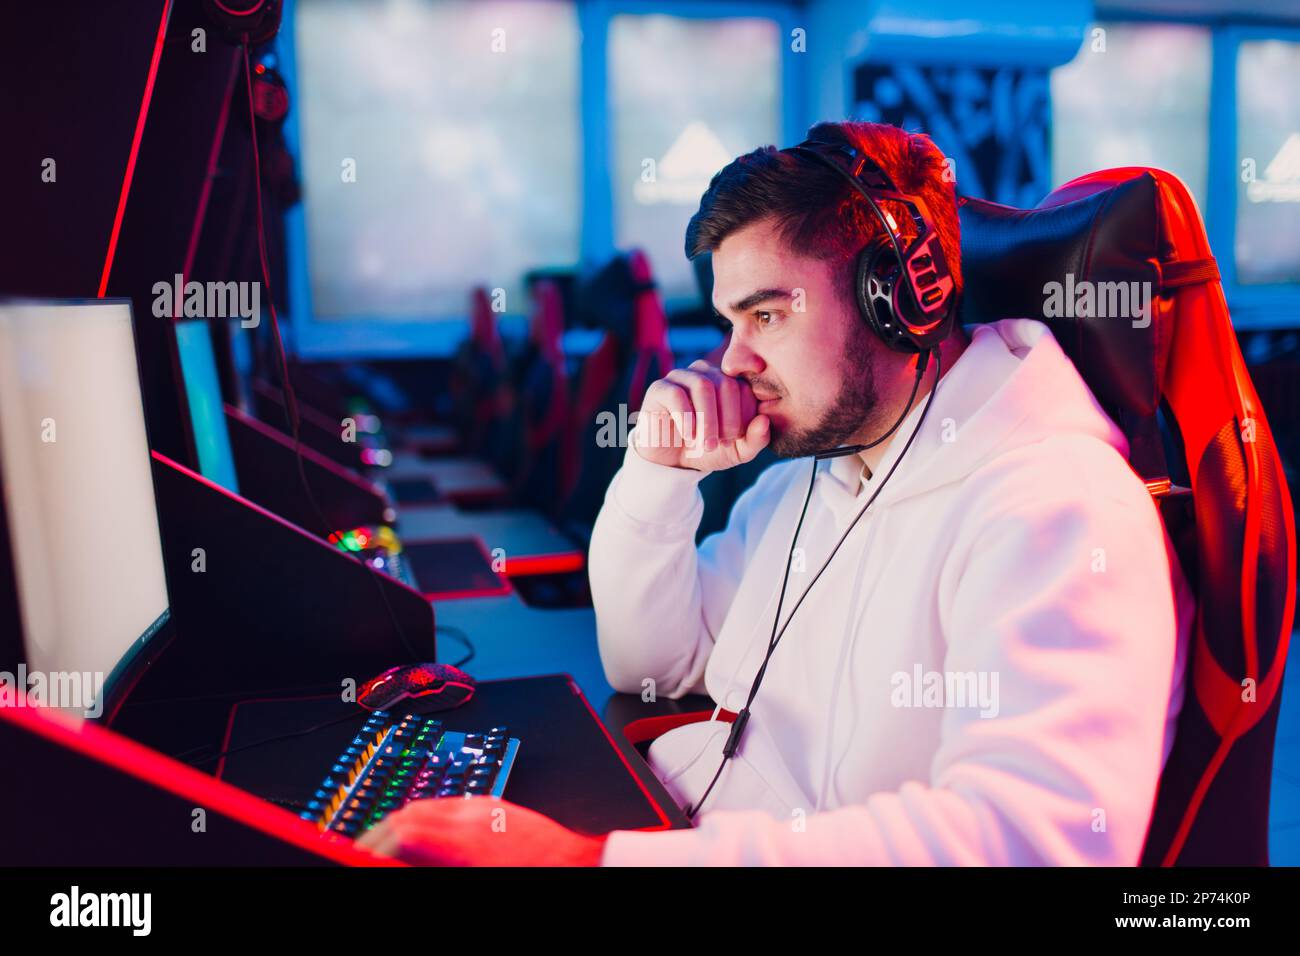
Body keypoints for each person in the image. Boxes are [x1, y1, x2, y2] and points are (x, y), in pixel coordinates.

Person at [359, 120, 1193, 866]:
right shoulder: (811, 477)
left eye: (766, 316)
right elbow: (654, 666)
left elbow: (1030, 843)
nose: (732, 360)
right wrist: (658, 474)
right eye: (730, 322)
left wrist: (585, 864)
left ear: (902, 298)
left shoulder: (1058, 507)